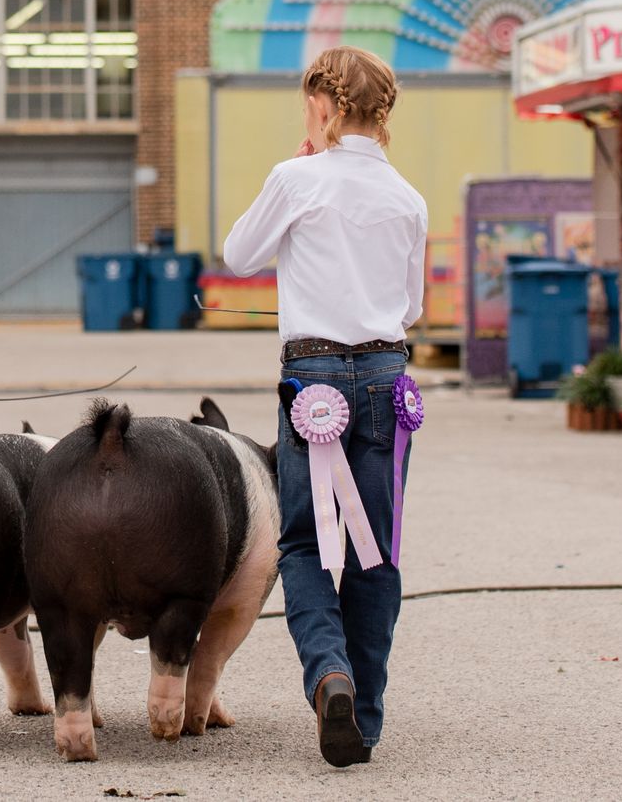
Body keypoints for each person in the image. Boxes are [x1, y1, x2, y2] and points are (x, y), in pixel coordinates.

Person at [220, 46, 428, 768]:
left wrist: (296, 166)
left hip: (312, 376)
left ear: (323, 104)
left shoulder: (296, 177)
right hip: (385, 374)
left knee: (306, 543)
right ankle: (363, 717)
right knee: (377, 549)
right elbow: (413, 306)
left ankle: (328, 674)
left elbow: (239, 253)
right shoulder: (407, 197)